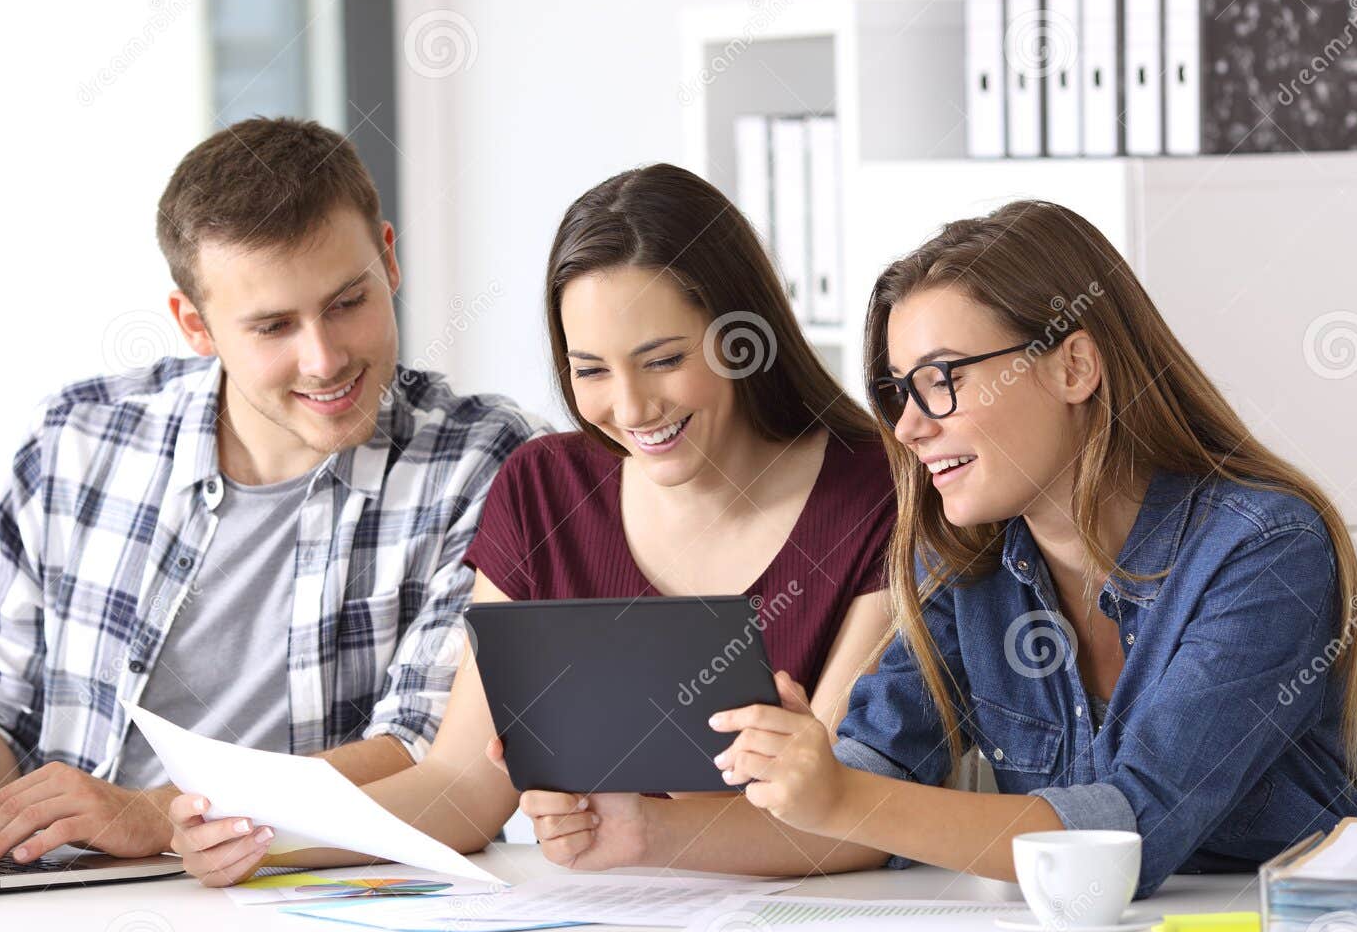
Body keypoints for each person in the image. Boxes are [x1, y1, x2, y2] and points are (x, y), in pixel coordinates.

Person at [167, 163, 899, 884]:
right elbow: (461, 789)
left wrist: (649, 832)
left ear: (744, 336)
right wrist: (256, 836)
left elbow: (847, 809)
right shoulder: (545, 487)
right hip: (594, 926)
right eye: (591, 370)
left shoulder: (878, 490)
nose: (633, 408)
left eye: (665, 359)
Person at [0, 117, 540, 868]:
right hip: (53, 899)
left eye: (346, 302)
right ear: (195, 324)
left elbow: (423, 754)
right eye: (272, 326)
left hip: (300, 893)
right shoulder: (78, 437)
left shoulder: (484, 462)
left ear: (388, 260)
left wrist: (158, 816)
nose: (324, 358)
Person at [710, 199, 1357, 897]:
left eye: (943, 380)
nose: (909, 427)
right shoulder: (965, 563)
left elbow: (1129, 835)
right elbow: (869, 777)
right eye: (898, 391)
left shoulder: (1265, 550)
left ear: (1074, 367)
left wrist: (846, 798)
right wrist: (648, 828)